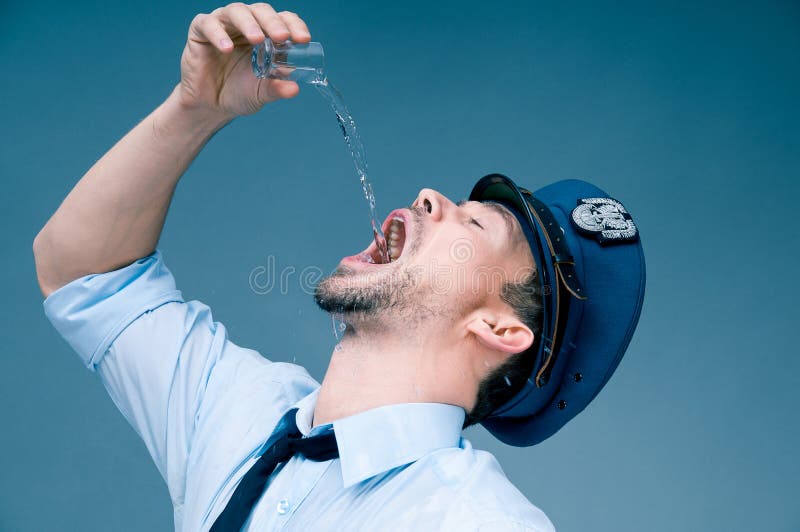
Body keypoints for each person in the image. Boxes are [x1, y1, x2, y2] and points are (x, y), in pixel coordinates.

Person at [33, 4, 645, 531]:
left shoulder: (473, 520)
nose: (430, 196)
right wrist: (196, 109)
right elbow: (85, 275)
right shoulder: (240, 410)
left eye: (478, 223)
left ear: (501, 329)